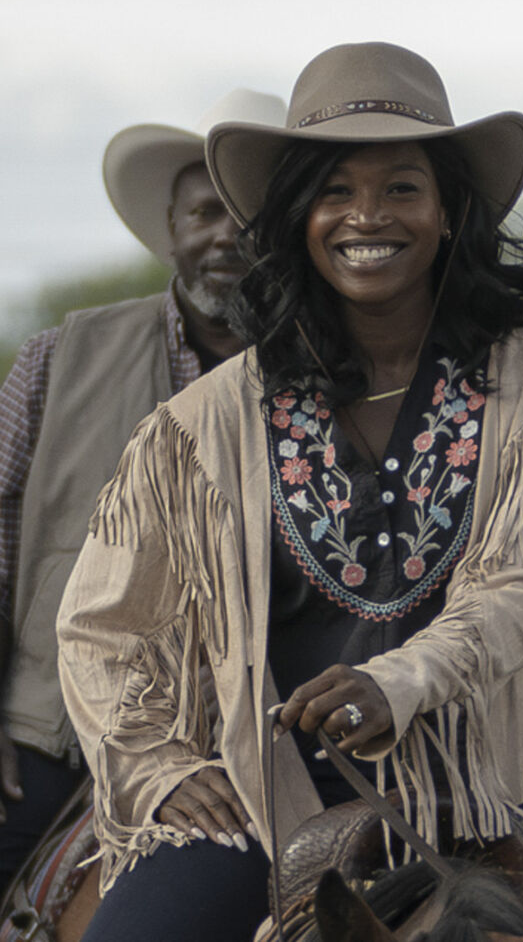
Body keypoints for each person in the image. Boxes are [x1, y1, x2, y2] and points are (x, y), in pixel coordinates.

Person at [57, 42, 523, 942]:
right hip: (268, 799)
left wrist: (397, 683)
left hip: (483, 789)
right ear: (299, 216)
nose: (366, 215)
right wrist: (161, 766)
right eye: (335, 190)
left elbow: (521, 588)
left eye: (401, 188)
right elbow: (103, 626)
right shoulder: (199, 428)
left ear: (449, 211)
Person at [0, 88, 286, 891]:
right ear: (172, 232)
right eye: (203, 214)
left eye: (250, 216)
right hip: (52, 732)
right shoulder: (57, 360)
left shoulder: (334, 376)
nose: (226, 236)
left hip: (254, 745)